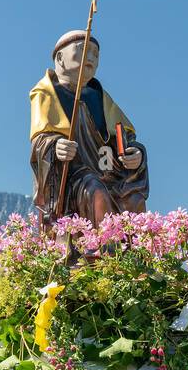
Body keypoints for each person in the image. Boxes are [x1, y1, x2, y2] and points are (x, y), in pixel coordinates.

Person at [29, 30, 148, 229]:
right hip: (73, 179)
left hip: (109, 171)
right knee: (95, 191)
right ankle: (103, 252)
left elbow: (123, 135)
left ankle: (134, 255)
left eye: (95, 54)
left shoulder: (100, 97)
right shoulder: (46, 93)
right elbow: (40, 142)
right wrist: (55, 147)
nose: (91, 57)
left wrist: (136, 154)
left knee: (134, 199)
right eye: (84, 50)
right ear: (60, 58)